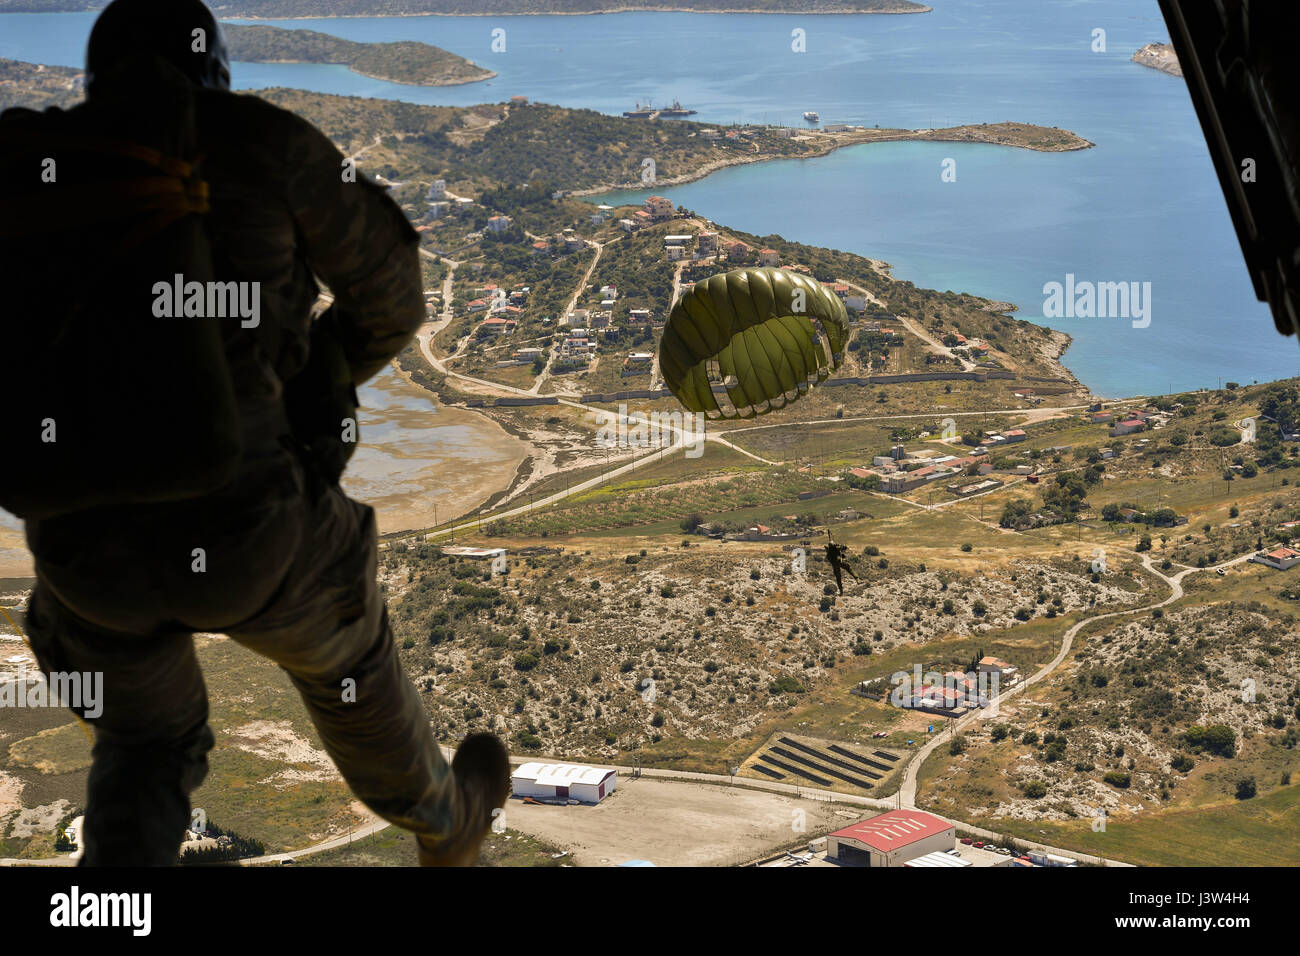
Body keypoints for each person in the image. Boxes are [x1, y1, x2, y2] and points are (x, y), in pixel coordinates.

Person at [15, 0, 507, 866]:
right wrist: (311, 381)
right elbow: (392, 305)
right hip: (253, 526)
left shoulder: (39, 168)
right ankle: (443, 818)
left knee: (145, 748)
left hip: (84, 549)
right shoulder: (265, 144)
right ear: (214, 71)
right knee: (347, 668)